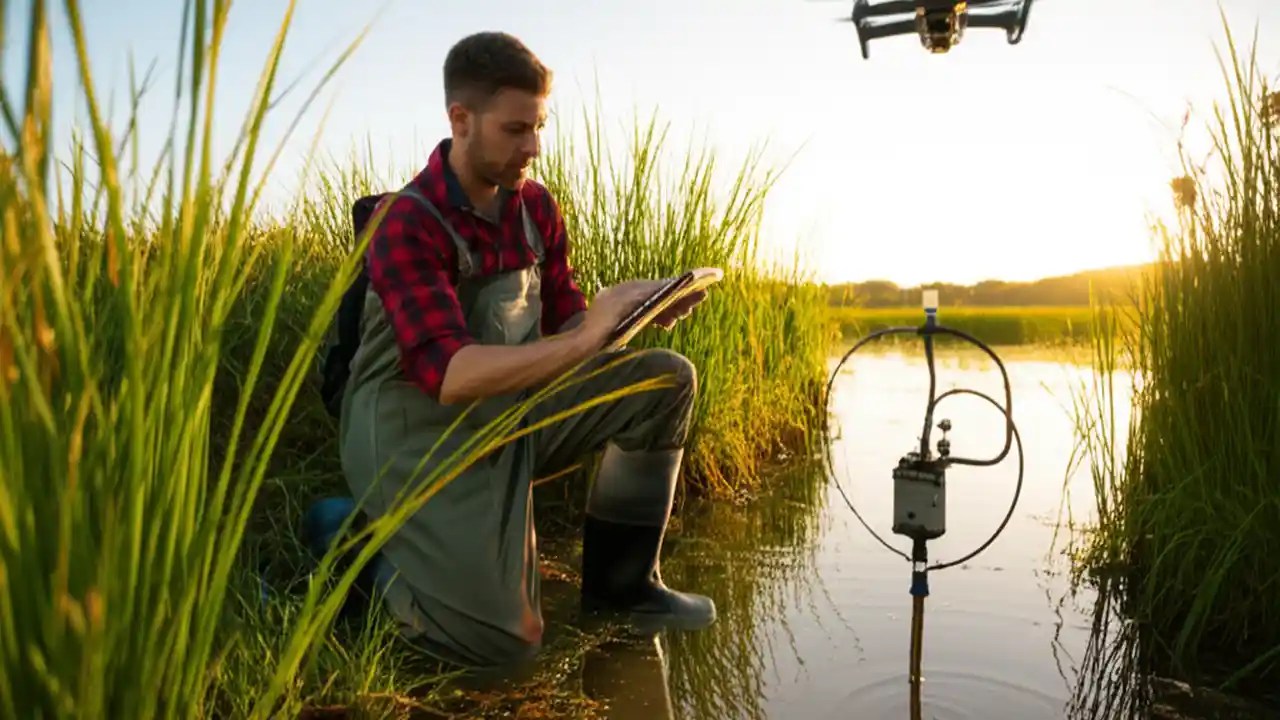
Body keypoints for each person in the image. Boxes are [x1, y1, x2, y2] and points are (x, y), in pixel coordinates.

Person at [335, 30, 716, 671]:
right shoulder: (409, 221)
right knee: (504, 649)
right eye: (516, 129)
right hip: (416, 433)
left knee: (661, 381)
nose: (533, 147)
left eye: (538, 127)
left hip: (507, 410)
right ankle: (356, 551)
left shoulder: (536, 207)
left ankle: (623, 590)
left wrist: (624, 314)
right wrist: (591, 336)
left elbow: (568, 331)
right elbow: (448, 374)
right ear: (461, 119)